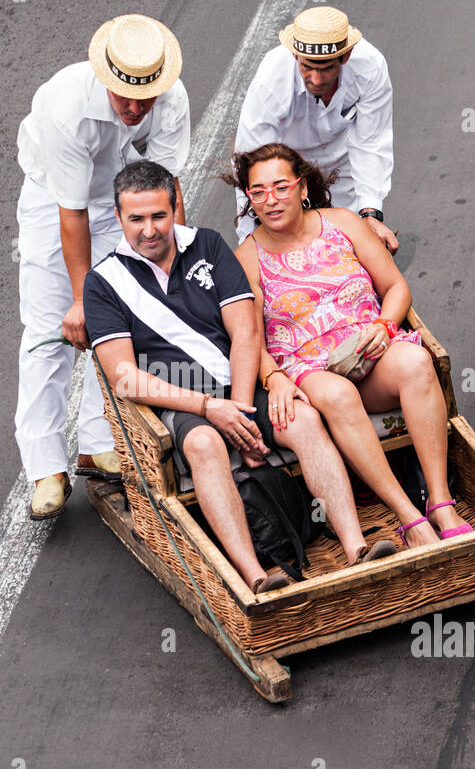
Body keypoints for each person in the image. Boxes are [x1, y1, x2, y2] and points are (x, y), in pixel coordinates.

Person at [84, 161, 395, 592]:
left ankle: (356, 546)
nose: (149, 230)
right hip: (181, 402)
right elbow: (125, 378)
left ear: (175, 209)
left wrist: (242, 410)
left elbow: (245, 332)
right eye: (135, 219)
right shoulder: (103, 282)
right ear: (119, 218)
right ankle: (255, 575)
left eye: (158, 216)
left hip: (241, 389)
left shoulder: (207, 246)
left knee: (303, 421)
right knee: (206, 443)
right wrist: (212, 409)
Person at [228, 143, 474, 549]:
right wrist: (274, 379)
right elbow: (249, 338)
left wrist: (384, 323)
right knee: (339, 394)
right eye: (258, 192)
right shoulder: (247, 259)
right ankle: (409, 516)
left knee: (415, 360)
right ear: (250, 199)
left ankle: (440, 502)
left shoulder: (342, 222)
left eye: (280, 187)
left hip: (368, 348)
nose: (270, 200)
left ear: (301, 187)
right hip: (310, 368)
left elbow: (395, 287)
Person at [15, 15, 191, 519]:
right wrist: (79, 299)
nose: (136, 110)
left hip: (126, 200)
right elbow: (73, 217)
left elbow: (167, 193)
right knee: (51, 332)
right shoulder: (68, 107)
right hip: (56, 204)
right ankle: (46, 467)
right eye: (124, 98)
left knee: (124, 322)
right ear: (106, 79)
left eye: (146, 98)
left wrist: (173, 272)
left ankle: (98, 442)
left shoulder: (171, 99)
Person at [233, 6, 399, 255]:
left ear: (346, 56)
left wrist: (370, 213)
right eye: (308, 67)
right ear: (293, 54)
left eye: (327, 68)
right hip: (286, 172)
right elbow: (254, 162)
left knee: (351, 254)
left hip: (343, 169)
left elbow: (371, 142)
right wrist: (252, 234)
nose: (317, 80)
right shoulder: (271, 79)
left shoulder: (371, 67)